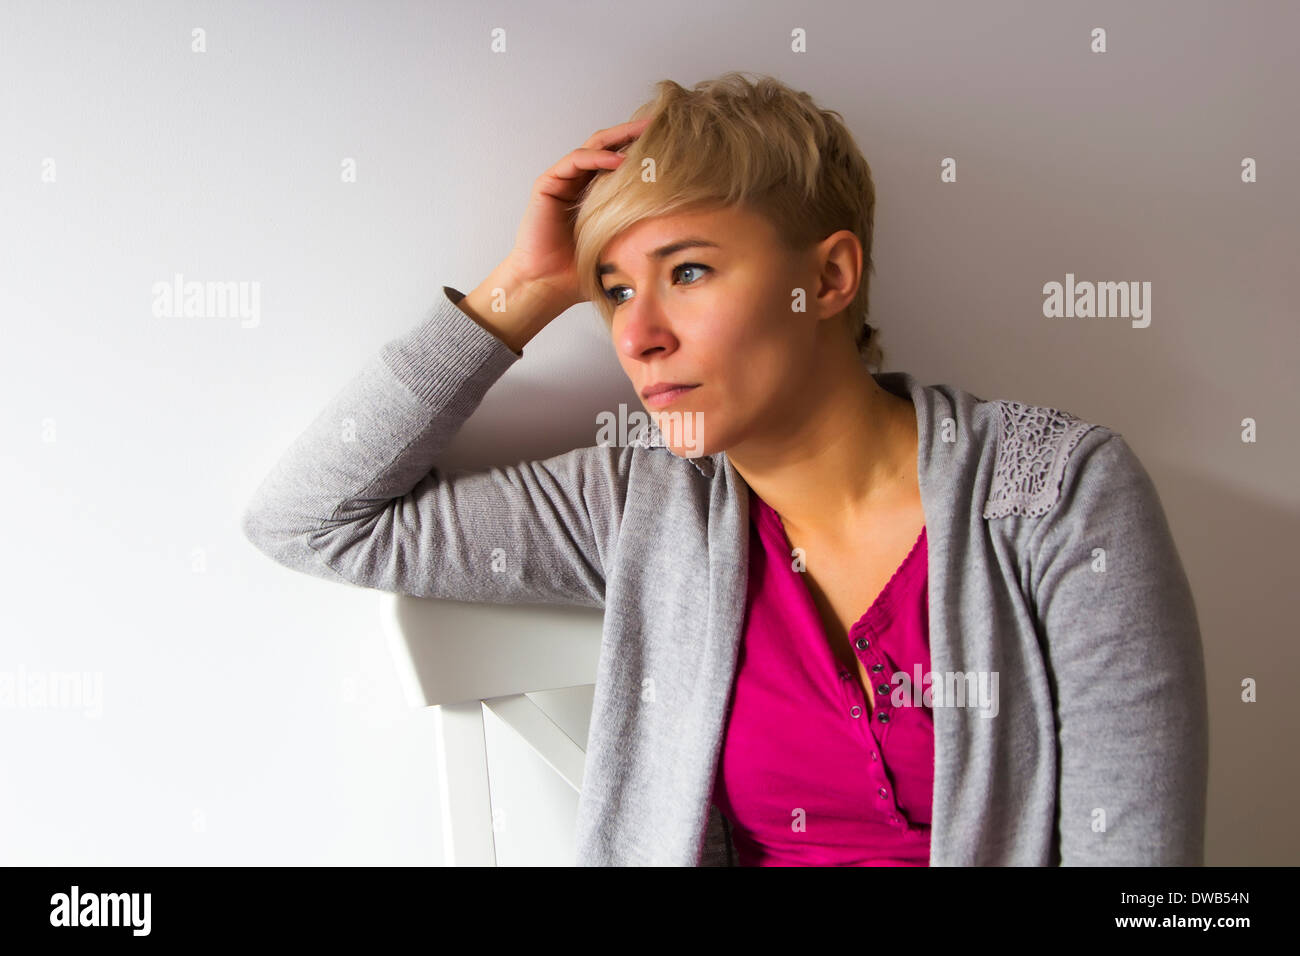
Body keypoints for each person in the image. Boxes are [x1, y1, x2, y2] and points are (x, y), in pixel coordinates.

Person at [242, 72, 1209, 866]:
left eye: (689, 271)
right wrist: (527, 291)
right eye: (613, 290)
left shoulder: (1055, 491)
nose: (639, 333)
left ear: (828, 279)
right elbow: (309, 518)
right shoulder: (635, 506)